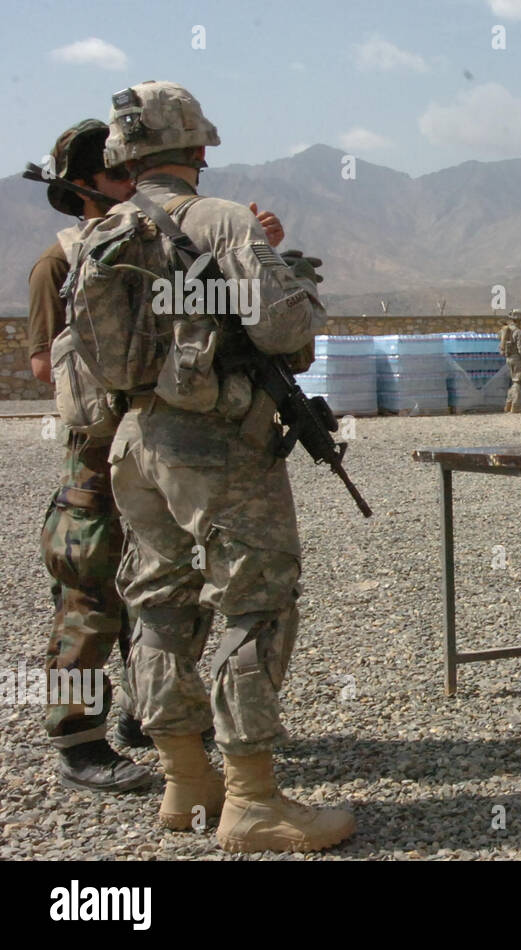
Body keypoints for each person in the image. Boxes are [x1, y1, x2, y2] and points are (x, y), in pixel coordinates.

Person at [99, 80, 353, 851]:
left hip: (135, 440)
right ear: (199, 149)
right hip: (215, 445)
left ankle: (184, 780)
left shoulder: (100, 232)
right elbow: (281, 328)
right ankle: (252, 798)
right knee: (256, 600)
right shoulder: (225, 222)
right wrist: (301, 285)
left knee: (159, 601)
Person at [28, 120, 151, 793]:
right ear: (85, 185)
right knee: (89, 591)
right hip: (98, 453)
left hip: (154, 446)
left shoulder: (154, 249)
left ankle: (148, 711)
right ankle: (77, 739)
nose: (133, 185)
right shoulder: (59, 262)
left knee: (163, 584)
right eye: (117, 175)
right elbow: (51, 368)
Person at [499, 310, 521, 413]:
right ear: (519, 320)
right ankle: (516, 407)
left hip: (509, 358)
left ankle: (508, 405)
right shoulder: (518, 332)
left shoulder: (506, 330)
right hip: (517, 358)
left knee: (514, 381)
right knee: (518, 382)